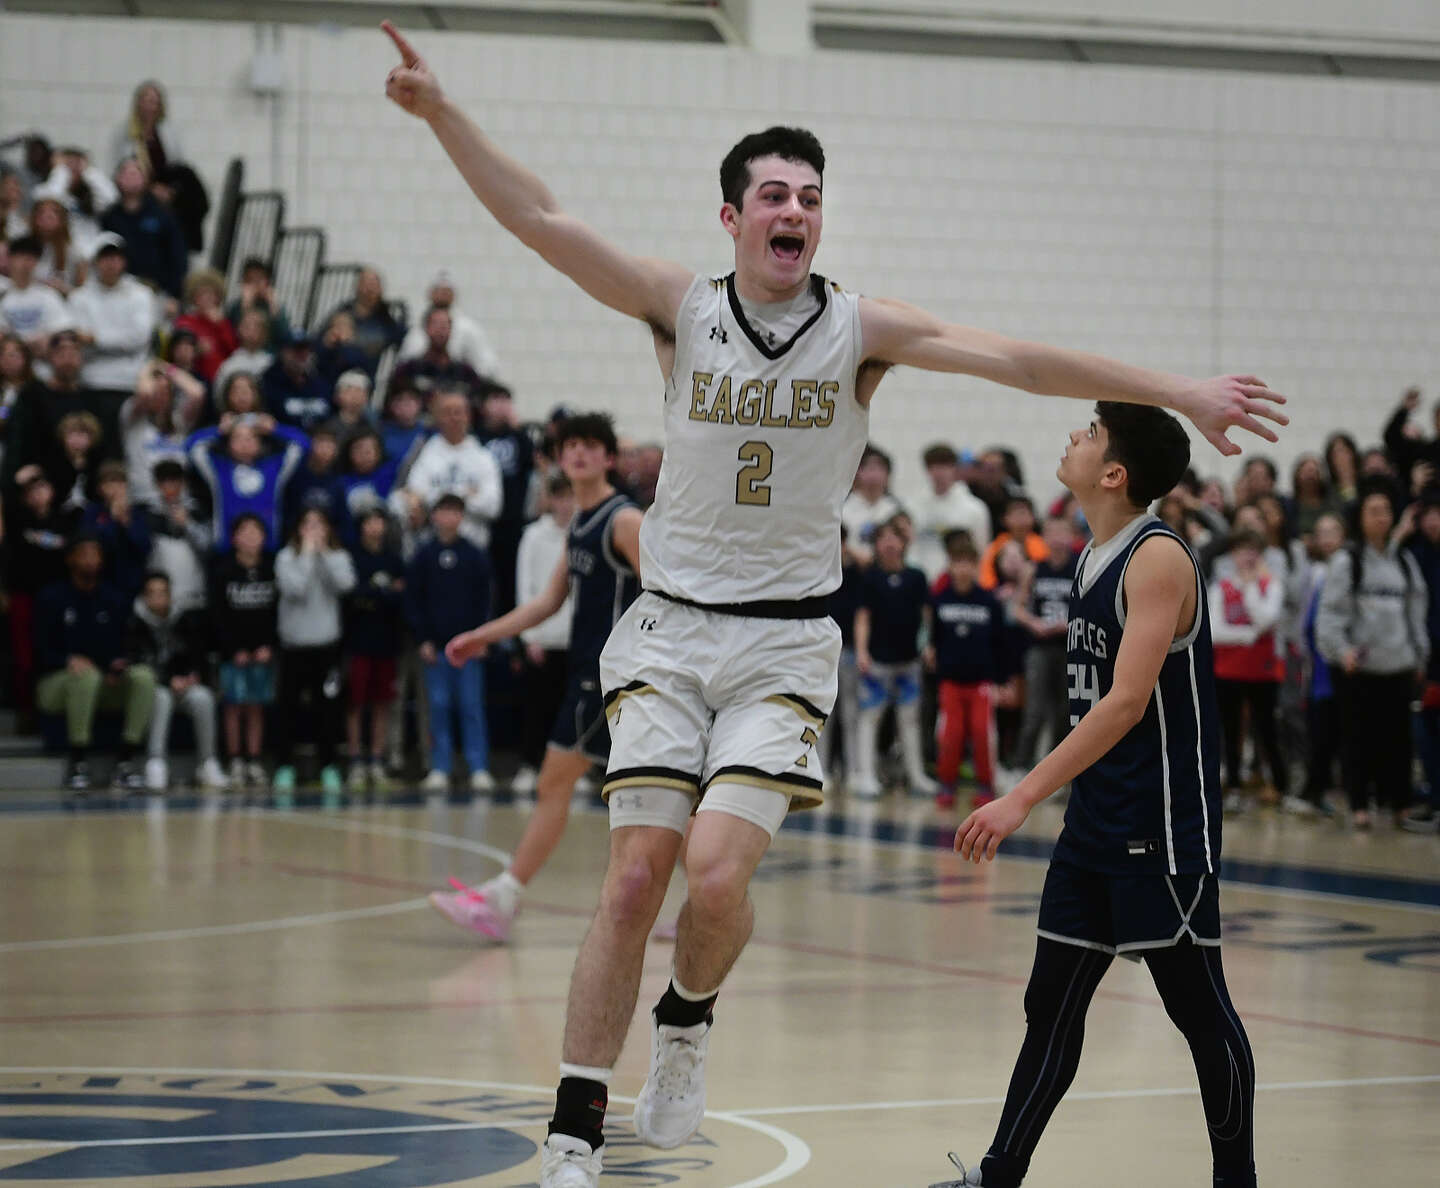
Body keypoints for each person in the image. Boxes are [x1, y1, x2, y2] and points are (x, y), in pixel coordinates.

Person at [380, 25, 1283, 1183]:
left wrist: (1177, 390)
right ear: (734, 217)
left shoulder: (859, 329)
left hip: (786, 646)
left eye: (810, 193)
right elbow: (541, 220)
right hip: (668, 631)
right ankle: (572, 1122)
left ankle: (688, 1021)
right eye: (772, 192)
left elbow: (1015, 359)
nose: (794, 208)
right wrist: (445, 114)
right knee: (630, 876)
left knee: (714, 875)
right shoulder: (680, 306)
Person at [936, 403, 1255, 1188]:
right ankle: (999, 1174)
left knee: (1199, 1012)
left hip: (1161, 828)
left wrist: (1021, 796)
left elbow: (1124, 703)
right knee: (1051, 1005)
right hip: (1095, 823)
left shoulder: (1158, 559)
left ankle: (1236, 1180)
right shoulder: (1089, 553)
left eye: (1090, 434)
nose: (1074, 437)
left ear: (1114, 473)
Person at [431, 412, 642, 940]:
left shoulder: (625, 521)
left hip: (613, 679)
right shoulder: (580, 523)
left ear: (609, 459)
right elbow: (548, 602)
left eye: (591, 446)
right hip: (590, 676)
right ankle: (706, 889)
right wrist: (483, 636)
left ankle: (505, 897)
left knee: (559, 784)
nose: (579, 454)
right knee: (644, 798)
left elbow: (666, 594)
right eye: (570, 445)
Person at [1315, 485, 1428, 829]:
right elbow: (1330, 615)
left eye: (1385, 510)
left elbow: (1416, 613)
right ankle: (1359, 805)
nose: (1381, 517)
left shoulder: (1405, 563)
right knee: (1357, 739)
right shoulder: (1347, 561)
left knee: (1398, 740)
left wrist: (1419, 655)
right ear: (1360, 519)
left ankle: (1400, 805)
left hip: (1398, 665)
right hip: (1358, 669)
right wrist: (1340, 651)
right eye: (1373, 511)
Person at [35, 530, 156, 793]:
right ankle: (77, 763)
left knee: (143, 677)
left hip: (102, 680)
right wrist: (67, 660)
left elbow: (124, 645)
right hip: (55, 683)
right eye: (84, 554)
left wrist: (118, 664)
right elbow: (40, 651)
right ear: (70, 559)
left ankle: (125, 761)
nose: (90, 560)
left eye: (95, 554)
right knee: (86, 677)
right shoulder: (52, 597)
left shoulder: (113, 599)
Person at [404, 492, 494, 794]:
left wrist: (481, 638)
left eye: (455, 512)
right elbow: (413, 600)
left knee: (471, 706)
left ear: (462, 517)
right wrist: (423, 639)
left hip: (468, 648)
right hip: (436, 648)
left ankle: (478, 766)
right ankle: (440, 767)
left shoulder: (474, 555)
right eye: (443, 511)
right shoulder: (424, 555)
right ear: (434, 516)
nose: (449, 518)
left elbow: (486, 600)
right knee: (438, 707)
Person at [272, 506, 355, 802]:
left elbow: (346, 584)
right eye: (307, 524)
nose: (313, 529)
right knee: (287, 710)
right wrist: (307, 555)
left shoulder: (338, 556)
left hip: (326, 648)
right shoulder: (286, 557)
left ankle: (329, 766)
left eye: (319, 524)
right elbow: (294, 589)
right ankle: (284, 766)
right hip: (294, 648)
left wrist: (324, 555)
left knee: (328, 711)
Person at [1208, 528, 1288, 814]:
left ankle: (1280, 785)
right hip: (1228, 670)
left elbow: (1266, 619)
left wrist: (1251, 588)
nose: (1248, 557)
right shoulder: (1221, 587)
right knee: (1230, 733)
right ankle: (1233, 786)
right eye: (1242, 551)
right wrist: (1248, 636)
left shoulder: (1271, 585)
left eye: (1253, 551)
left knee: (1267, 730)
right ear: (1233, 554)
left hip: (1263, 672)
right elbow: (1215, 632)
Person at [853, 515, 933, 798]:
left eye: (894, 537)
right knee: (870, 719)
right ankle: (865, 775)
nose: (889, 543)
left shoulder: (917, 577)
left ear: (904, 541)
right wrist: (862, 652)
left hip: (909, 662)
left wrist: (927, 646)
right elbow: (863, 618)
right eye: (882, 538)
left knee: (909, 721)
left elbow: (925, 617)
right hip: (877, 662)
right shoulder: (870, 578)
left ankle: (916, 775)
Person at [126, 570, 226, 792]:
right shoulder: (134, 624)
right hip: (156, 687)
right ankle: (156, 762)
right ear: (144, 596)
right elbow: (136, 661)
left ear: (170, 595)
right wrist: (167, 680)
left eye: (163, 593)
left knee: (203, 697)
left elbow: (197, 655)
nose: (158, 598)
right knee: (161, 698)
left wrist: (192, 676)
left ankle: (207, 763)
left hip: (182, 686)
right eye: (152, 593)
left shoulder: (185, 621)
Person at [508, 471, 576, 794]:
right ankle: (530, 765)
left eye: (571, 496)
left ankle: (571, 772)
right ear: (551, 499)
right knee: (537, 707)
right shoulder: (534, 536)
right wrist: (529, 635)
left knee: (573, 709)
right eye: (560, 497)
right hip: (541, 637)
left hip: (575, 639)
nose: (566, 504)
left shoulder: (584, 532)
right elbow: (526, 587)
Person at [928, 531, 1003, 809]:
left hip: (981, 682)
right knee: (951, 734)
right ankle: (946, 784)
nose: (963, 569)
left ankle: (986, 785)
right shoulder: (940, 600)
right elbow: (933, 639)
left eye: (968, 563)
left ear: (976, 565)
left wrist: (1001, 680)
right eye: (957, 562)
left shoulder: (989, 601)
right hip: (950, 682)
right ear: (950, 564)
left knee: (982, 732)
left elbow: (999, 642)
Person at [210, 513, 278, 793]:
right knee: (233, 706)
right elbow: (217, 616)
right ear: (234, 538)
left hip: (262, 652)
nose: (251, 538)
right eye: (245, 532)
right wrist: (233, 649)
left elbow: (277, 614)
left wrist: (268, 647)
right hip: (233, 653)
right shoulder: (224, 571)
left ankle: (254, 759)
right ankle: (235, 759)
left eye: (256, 532)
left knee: (256, 707)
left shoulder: (271, 570)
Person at [4, 467, 73, 729]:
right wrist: (18, 480)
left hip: (55, 596)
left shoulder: (63, 521)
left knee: (52, 649)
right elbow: (8, 499)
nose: (39, 494)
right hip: (24, 595)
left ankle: (52, 709)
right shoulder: (18, 520)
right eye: (32, 491)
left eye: (43, 488)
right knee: (24, 655)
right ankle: (26, 710)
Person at [343, 507, 405, 796]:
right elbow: (352, 595)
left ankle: (376, 759)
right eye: (369, 521)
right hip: (357, 639)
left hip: (387, 639)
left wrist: (376, 594)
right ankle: (355, 759)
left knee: (382, 703)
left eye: (379, 520)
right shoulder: (352, 556)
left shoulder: (393, 558)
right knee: (355, 702)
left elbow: (400, 595)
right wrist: (379, 593)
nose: (374, 526)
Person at [394, 386, 502, 547]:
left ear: (468, 416)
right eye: (447, 412)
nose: (453, 418)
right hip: (431, 547)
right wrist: (465, 494)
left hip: (472, 548)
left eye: (458, 412)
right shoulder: (426, 454)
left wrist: (437, 498)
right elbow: (414, 499)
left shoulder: (483, 457)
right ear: (437, 417)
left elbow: (493, 507)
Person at [1011, 514, 1077, 771]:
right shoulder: (1033, 568)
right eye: (1053, 533)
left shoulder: (1080, 567)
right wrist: (1034, 624)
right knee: (1034, 711)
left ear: (1072, 537)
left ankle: (1058, 773)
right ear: (1044, 537)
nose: (1058, 539)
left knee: (1066, 711)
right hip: (1039, 646)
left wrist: (1071, 625)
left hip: (1069, 647)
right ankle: (1020, 767)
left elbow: (1092, 609)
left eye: (1063, 533)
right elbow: (1017, 609)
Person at [1290, 511, 1345, 817]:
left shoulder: (1348, 566)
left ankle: (1326, 788)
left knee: (1333, 729)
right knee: (1316, 728)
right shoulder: (1311, 570)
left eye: (1332, 531)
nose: (1326, 538)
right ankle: (1313, 789)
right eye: (1320, 532)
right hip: (1313, 662)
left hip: (1339, 661)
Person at [187, 412, 308, 552]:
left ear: (260, 442)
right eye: (237, 438)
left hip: (267, 550)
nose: (244, 443)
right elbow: (191, 446)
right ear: (229, 443)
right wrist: (219, 430)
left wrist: (275, 429)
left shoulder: (275, 468)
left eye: (251, 438)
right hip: (227, 550)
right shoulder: (218, 469)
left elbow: (303, 444)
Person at [68, 233, 158, 396]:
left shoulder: (141, 294)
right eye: (106, 257)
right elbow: (79, 340)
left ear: (124, 261)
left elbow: (139, 338)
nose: (111, 263)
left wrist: (95, 339)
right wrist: (116, 342)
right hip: (89, 380)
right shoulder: (79, 298)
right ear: (96, 262)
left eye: (117, 257)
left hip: (129, 381)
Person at [100, 158, 187, 302]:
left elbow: (177, 256)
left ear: (146, 179)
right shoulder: (110, 217)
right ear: (118, 179)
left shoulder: (162, 215)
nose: (131, 178)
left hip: (157, 289)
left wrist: (174, 295)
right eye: (126, 174)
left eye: (136, 174)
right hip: (118, 289)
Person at [911, 443, 991, 583]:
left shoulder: (975, 508)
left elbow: (981, 552)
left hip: (958, 585)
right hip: (921, 581)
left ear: (955, 468)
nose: (939, 473)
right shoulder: (913, 506)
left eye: (944, 466)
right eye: (933, 467)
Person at [397, 267, 500, 377]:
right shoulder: (416, 331)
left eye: (446, 291)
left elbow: (487, 365)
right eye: (438, 290)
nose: (442, 295)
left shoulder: (468, 329)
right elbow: (405, 362)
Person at [144, 458, 210, 611]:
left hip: (193, 589)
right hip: (159, 593)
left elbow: (208, 547)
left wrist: (188, 524)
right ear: (157, 484)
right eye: (164, 482)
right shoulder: (147, 512)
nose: (170, 487)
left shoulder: (197, 509)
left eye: (174, 481)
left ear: (183, 483)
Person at [80, 460, 152, 599]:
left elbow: (145, 547)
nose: (115, 488)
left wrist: (126, 522)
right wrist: (113, 519)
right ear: (100, 488)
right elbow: (95, 547)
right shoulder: (92, 512)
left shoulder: (137, 513)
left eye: (120, 482)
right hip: (101, 584)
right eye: (109, 483)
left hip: (133, 584)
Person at [388, 306, 488, 401]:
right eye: (435, 324)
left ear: (451, 330)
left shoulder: (466, 373)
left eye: (444, 325)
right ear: (425, 328)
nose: (440, 330)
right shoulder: (408, 371)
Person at [0, 236, 75, 358]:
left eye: (31, 258)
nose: (25, 263)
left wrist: (50, 338)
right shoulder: (3, 295)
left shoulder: (48, 295)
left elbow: (64, 328)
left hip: (45, 358)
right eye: (20, 257)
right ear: (10, 260)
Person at [327, 268, 404, 373]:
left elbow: (401, 337)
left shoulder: (384, 320)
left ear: (380, 289)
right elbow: (320, 343)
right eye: (366, 283)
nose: (370, 289)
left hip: (363, 378)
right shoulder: (343, 312)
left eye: (374, 284)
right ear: (358, 287)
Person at [172, 269, 237, 384]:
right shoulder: (185, 320)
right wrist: (196, 350)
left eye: (210, 294)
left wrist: (220, 325)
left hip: (216, 379)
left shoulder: (223, 323)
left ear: (217, 298)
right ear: (194, 298)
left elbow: (232, 351)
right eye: (201, 294)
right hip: (189, 377)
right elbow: (176, 348)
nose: (205, 298)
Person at [840, 443, 901, 565]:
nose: (874, 474)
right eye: (869, 468)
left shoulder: (895, 508)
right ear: (858, 472)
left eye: (879, 468)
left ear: (887, 474)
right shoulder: (844, 508)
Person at [979, 494, 1047, 590]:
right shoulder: (995, 546)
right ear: (1004, 519)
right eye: (1015, 514)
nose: (1021, 519)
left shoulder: (1042, 544)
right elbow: (986, 579)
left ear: (1033, 518)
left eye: (1024, 513)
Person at [211, 307, 275, 404]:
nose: (252, 330)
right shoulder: (230, 364)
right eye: (247, 326)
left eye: (257, 326)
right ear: (239, 329)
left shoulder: (272, 363)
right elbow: (219, 397)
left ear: (265, 332)